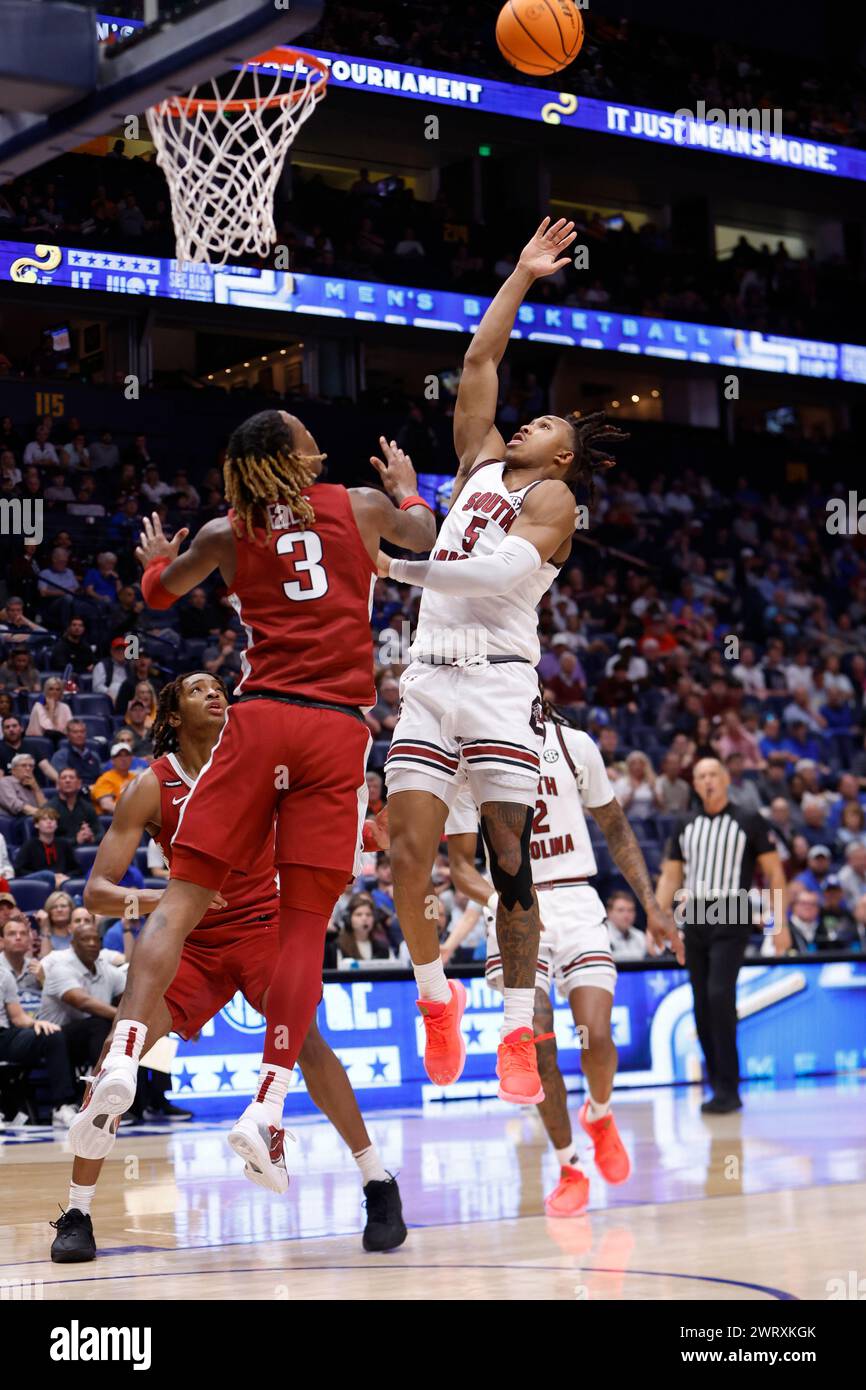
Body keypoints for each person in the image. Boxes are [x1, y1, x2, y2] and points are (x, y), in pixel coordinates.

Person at [70, 410, 436, 1189]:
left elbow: (158, 595)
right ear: (294, 455)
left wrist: (159, 561)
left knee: (177, 900)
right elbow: (424, 538)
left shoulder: (225, 533)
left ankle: (128, 1051)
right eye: (307, 434)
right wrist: (411, 490)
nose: (317, 441)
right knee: (305, 924)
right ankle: (267, 1108)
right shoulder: (362, 503)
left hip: (260, 714)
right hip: (335, 728)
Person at [381, 218, 631, 1104]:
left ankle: (518, 1030)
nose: (525, 421)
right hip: (428, 671)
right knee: (404, 853)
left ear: (561, 453)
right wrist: (521, 274)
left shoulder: (556, 496)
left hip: (495, 679)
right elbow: (481, 360)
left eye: (546, 421)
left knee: (507, 858)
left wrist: (405, 565)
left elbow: (496, 570)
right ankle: (433, 997)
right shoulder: (480, 461)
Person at [58, 672, 406, 1260]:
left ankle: (378, 1183)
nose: (216, 693)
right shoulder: (152, 787)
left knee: (310, 1045)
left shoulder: (266, 765)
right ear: (171, 716)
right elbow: (95, 892)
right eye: (197, 690)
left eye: (220, 687)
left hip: (262, 933)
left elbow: (328, 830)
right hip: (188, 942)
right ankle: (76, 1211)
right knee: (116, 1055)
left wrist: (375, 832)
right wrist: (160, 899)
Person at [439, 701, 679, 1215]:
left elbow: (615, 827)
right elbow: (460, 867)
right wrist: (502, 903)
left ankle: (600, 1112)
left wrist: (653, 906)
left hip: (574, 898)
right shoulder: (468, 761)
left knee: (597, 1034)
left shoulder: (576, 745)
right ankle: (571, 1166)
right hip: (512, 904)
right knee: (540, 1041)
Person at [656, 757, 788, 1114]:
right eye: (701, 776)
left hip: (731, 915)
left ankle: (730, 1086)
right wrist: (658, 917)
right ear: (695, 784)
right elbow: (670, 877)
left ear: (726, 779)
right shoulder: (684, 823)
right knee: (700, 1004)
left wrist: (780, 926)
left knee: (719, 996)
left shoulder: (749, 820)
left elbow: (774, 875)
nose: (708, 781)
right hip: (694, 916)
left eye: (714, 774)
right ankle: (719, 1085)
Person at [13, 807, 78, 886]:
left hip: (62, 881)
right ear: (36, 825)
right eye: (44, 819)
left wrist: (66, 876)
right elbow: (19, 870)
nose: (49, 822)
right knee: (47, 874)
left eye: (52, 819)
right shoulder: (29, 845)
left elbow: (76, 869)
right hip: (38, 884)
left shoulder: (64, 844)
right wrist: (50, 876)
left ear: (57, 825)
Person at [55, 767, 102, 844]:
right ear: (57, 784)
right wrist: (75, 841)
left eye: (71, 777)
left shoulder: (87, 807)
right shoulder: (50, 808)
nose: (67, 780)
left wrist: (91, 837)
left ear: (79, 784)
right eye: (64, 778)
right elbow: (47, 839)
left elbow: (100, 832)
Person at [89, 743, 136, 812]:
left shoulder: (136, 778)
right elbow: (107, 805)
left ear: (131, 758)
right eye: (119, 756)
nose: (123, 759)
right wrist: (131, 813)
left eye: (126, 755)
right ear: (112, 760)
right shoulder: (105, 779)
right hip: (111, 818)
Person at [26, 676, 73, 743]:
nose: (54, 692)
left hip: (59, 741)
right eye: (51, 689)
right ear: (46, 691)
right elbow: (49, 730)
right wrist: (51, 709)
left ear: (61, 692)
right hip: (40, 742)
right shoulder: (38, 707)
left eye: (58, 689)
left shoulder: (65, 707)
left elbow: (70, 728)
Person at [606, 891, 648, 961]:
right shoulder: (601, 936)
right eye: (621, 910)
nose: (626, 915)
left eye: (630, 910)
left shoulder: (640, 936)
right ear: (609, 913)